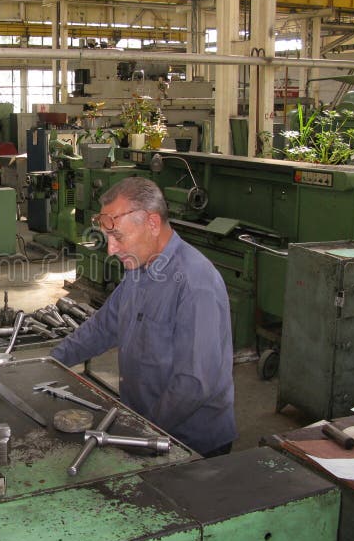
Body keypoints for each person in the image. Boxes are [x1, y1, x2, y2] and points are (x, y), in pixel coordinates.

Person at [50, 177, 237, 457]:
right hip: (144, 424)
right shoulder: (139, 269)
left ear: (151, 223)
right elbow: (103, 327)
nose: (111, 249)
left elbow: (194, 384)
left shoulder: (195, 284)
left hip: (189, 443)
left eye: (118, 237)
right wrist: (51, 362)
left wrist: (141, 432)